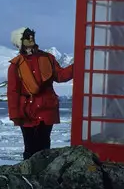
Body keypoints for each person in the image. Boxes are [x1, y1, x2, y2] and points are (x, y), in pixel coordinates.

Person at [6, 27, 74, 160]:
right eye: (27, 36)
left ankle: (43, 178)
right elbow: (12, 92)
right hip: (27, 112)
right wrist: (15, 115)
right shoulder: (15, 65)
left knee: (44, 145)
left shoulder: (48, 58)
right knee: (30, 147)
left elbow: (60, 76)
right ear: (20, 41)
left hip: (46, 108)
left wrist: (77, 66)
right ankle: (30, 176)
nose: (31, 38)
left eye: (32, 35)